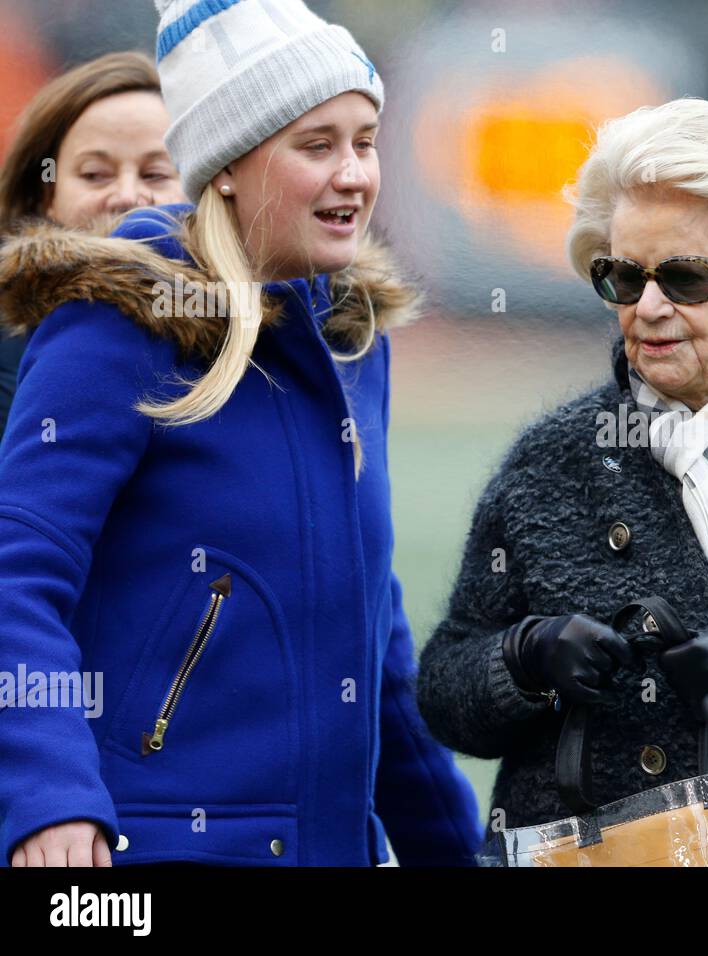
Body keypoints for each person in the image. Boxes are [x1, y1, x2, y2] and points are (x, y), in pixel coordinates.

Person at [0, 0, 478, 867]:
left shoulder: (352, 344)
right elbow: (15, 576)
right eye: (316, 145)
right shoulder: (114, 325)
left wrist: (457, 850)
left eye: (364, 141)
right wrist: (46, 800)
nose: (354, 175)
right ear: (226, 166)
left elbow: (378, 647)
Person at [417, 97, 708, 855]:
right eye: (621, 276)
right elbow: (446, 690)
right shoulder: (552, 457)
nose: (647, 307)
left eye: (684, 277)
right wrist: (526, 657)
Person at [0, 51, 187, 441]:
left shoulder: (265, 322)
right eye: (95, 174)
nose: (126, 195)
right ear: (45, 196)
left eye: (155, 173)